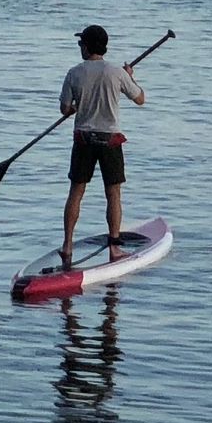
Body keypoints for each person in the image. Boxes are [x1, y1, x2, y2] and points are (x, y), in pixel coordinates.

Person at [59, 24, 145, 265]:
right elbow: (140, 98)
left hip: (83, 140)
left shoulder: (74, 73)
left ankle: (67, 245)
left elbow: (65, 109)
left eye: (80, 44)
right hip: (109, 141)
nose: (79, 47)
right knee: (113, 194)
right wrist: (130, 78)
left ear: (87, 47)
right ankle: (114, 248)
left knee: (76, 192)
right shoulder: (116, 72)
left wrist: (76, 106)